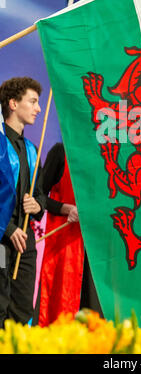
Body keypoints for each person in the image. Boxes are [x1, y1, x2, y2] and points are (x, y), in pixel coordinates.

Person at [38, 142, 102, 326]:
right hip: (64, 247)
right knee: (61, 309)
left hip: (96, 250)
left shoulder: (105, 154)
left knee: (94, 313)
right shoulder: (61, 150)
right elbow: (38, 195)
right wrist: (65, 208)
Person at [0, 77, 46, 328]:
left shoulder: (32, 150)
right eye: (33, 101)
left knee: (22, 308)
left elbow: (40, 195)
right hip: (2, 239)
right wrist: (8, 229)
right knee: (0, 303)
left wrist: (37, 205)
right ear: (13, 104)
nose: (38, 108)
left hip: (25, 243)